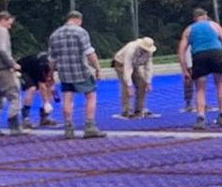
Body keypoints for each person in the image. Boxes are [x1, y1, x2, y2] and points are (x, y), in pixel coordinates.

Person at [178, 7, 222, 129]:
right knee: (220, 84)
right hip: (216, 54)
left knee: (200, 89)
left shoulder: (189, 30)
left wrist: (184, 69)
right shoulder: (214, 25)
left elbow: (181, 51)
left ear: (194, 19)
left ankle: (200, 117)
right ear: (205, 16)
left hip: (199, 56)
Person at [46, 10, 104, 140]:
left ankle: (68, 128)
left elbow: (52, 59)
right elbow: (90, 53)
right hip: (81, 71)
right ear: (79, 20)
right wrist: (98, 69)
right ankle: (90, 126)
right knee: (91, 96)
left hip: (64, 72)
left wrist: (50, 74)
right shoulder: (80, 32)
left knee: (67, 97)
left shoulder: (55, 35)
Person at [112, 36, 158, 118]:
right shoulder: (131, 49)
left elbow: (148, 66)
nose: (145, 51)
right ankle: (126, 111)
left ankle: (139, 109)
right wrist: (129, 85)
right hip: (121, 63)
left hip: (134, 65)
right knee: (125, 87)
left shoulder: (149, 52)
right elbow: (127, 67)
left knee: (142, 84)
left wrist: (148, 82)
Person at [18, 48, 57, 128]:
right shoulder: (42, 65)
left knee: (49, 87)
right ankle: (26, 119)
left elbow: (50, 75)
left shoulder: (53, 61)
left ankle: (44, 117)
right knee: (31, 88)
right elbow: (42, 86)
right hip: (23, 70)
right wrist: (46, 102)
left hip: (34, 70)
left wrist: (52, 85)